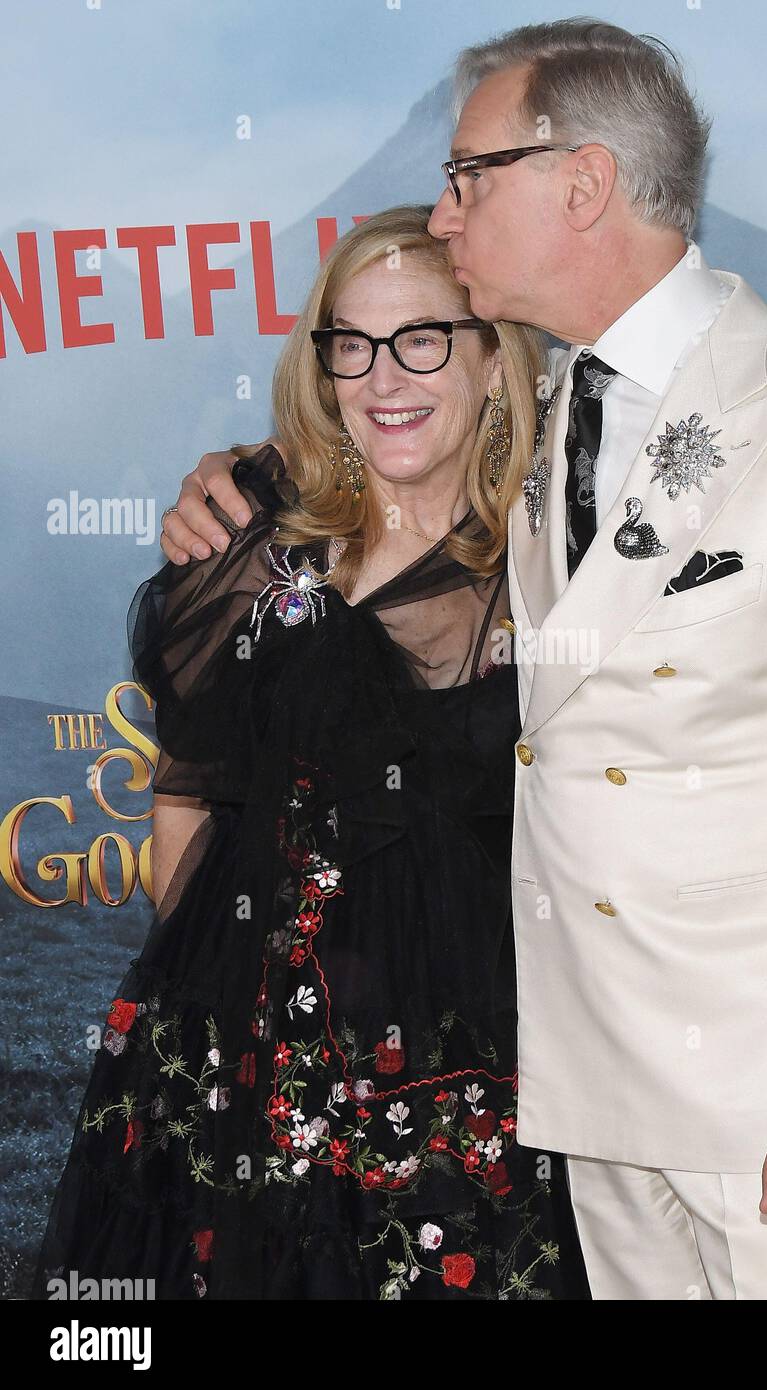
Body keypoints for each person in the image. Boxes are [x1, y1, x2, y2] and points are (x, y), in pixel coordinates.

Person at [160, 19, 767, 1300]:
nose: (443, 216)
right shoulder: (542, 406)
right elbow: (381, 475)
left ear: (582, 183)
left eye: (467, 177)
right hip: (583, 1097)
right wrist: (238, 486)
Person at [32, 205, 595, 1300]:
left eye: (422, 338)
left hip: (470, 1088)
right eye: (351, 342)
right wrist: (216, 1039)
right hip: (247, 1071)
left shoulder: (552, 566)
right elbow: (186, 802)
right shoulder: (251, 550)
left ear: (492, 362)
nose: (384, 375)